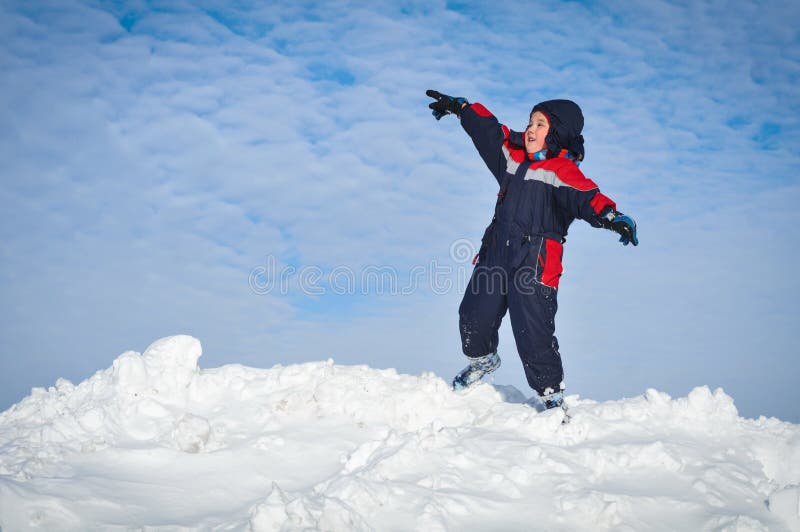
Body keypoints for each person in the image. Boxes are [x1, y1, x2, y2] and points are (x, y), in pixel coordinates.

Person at [426, 89, 638, 414]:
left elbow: (587, 197)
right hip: (495, 253)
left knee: (533, 333)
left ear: (556, 133)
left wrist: (612, 216)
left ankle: (551, 397)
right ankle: (483, 361)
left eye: (540, 124)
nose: (531, 129)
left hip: (535, 261)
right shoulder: (511, 159)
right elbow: (489, 131)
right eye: (530, 122)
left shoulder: (560, 171)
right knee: (472, 316)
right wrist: (463, 109)